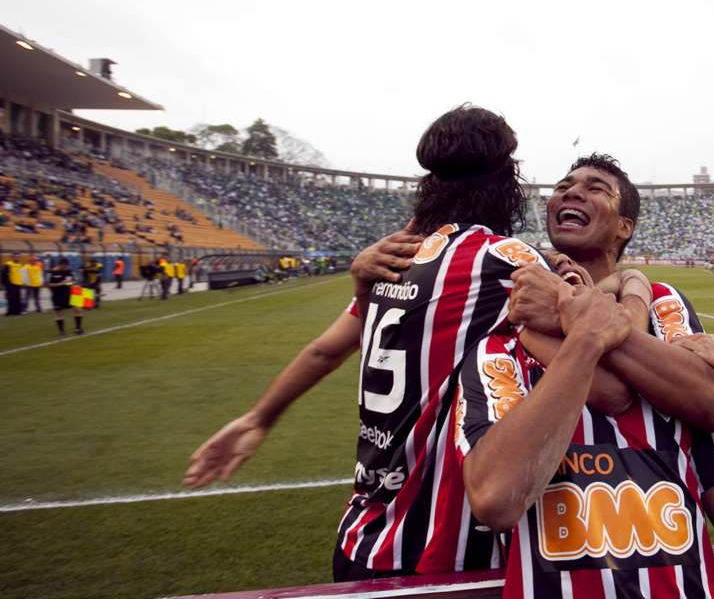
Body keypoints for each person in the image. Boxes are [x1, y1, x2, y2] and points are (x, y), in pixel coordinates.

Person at [185, 105, 554, 581]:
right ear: (508, 178)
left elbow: (325, 349)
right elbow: (594, 341)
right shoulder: (506, 259)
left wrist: (259, 417)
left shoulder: (393, 259)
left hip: (363, 538)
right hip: (446, 554)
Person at [459, 154, 714, 597]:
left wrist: (583, 311)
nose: (570, 191)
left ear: (624, 227)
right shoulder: (504, 339)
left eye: (595, 187)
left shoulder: (663, 308)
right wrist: (590, 319)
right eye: (564, 185)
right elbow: (494, 499)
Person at [47, 258, 83, 335]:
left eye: (66, 266)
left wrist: (71, 283)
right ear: (60, 264)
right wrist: (59, 284)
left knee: (78, 309)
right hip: (57, 295)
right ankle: (61, 331)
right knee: (59, 312)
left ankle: (78, 328)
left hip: (70, 294)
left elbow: (74, 282)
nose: (65, 267)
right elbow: (47, 284)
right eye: (64, 266)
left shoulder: (70, 272)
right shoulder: (52, 272)